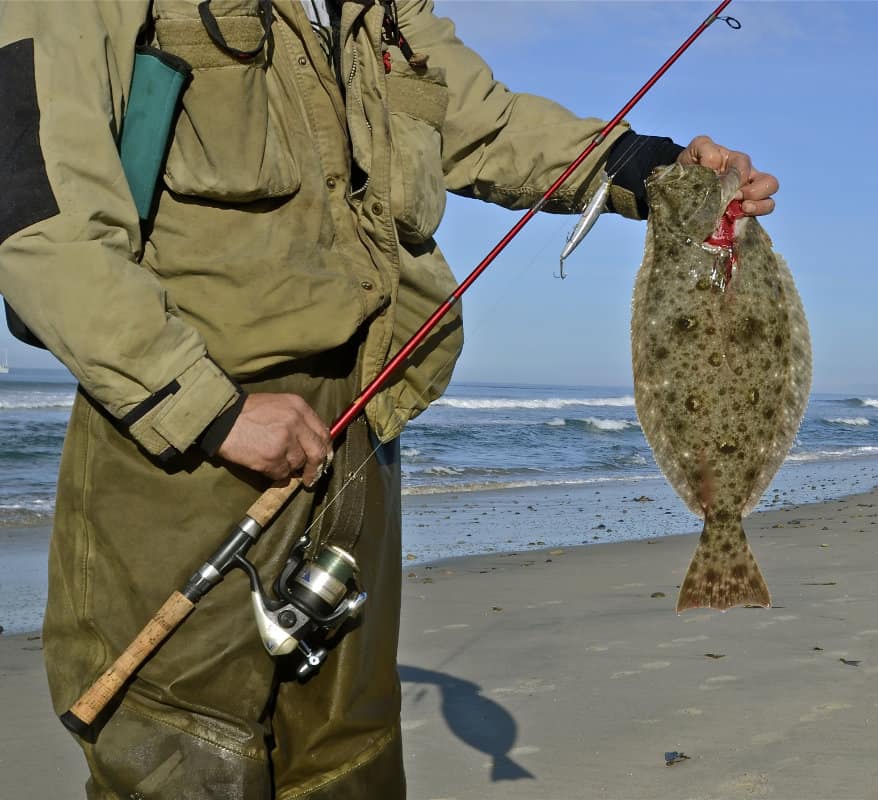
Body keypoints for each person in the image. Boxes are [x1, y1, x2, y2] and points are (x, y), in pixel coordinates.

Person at [0, 1, 779, 797]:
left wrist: (657, 168)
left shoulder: (383, 8)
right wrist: (211, 411)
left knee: (349, 752)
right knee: (182, 752)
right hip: (194, 437)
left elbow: (480, 122)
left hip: (364, 416)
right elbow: (40, 207)